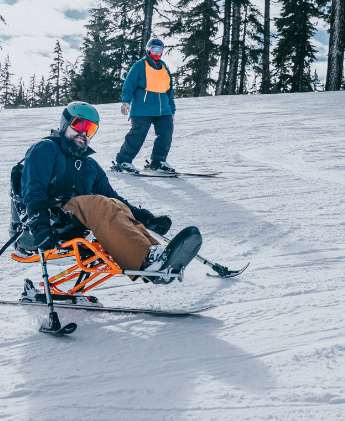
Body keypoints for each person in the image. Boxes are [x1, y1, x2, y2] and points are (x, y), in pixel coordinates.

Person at [11, 102, 202, 282]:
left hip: (73, 225)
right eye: (80, 124)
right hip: (42, 227)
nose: (84, 133)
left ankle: (157, 256)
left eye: (90, 129)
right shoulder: (46, 149)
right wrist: (40, 226)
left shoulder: (90, 165)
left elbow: (114, 200)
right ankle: (148, 260)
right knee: (99, 202)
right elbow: (33, 189)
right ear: (65, 124)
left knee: (113, 204)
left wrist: (147, 219)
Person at [112, 38, 177, 174]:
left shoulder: (164, 67)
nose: (157, 52)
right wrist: (126, 102)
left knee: (166, 132)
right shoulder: (140, 65)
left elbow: (169, 91)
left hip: (163, 108)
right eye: (154, 49)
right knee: (138, 134)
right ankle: (123, 161)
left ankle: (158, 161)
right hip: (143, 107)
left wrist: (172, 109)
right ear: (148, 50)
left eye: (160, 50)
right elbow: (129, 85)